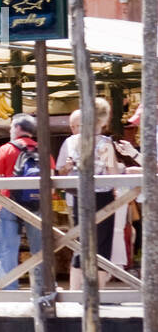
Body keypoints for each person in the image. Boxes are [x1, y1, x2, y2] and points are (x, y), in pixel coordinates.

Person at [60, 97, 120, 291]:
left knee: (81, 243)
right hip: (102, 197)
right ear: (104, 120)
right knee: (101, 245)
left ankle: (75, 291)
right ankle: (99, 292)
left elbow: (63, 169)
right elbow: (112, 175)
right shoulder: (105, 144)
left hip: (80, 195)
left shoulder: (71, 141)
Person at [0, 113, 42, 292]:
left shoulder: (5, 149)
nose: (10, 130)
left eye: (11, 126)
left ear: (18, 129)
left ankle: (9, 289)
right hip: (37, 206)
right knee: (40, 249)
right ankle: (41, 288)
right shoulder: (42, 150)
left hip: (9, 204)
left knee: (7, 250)